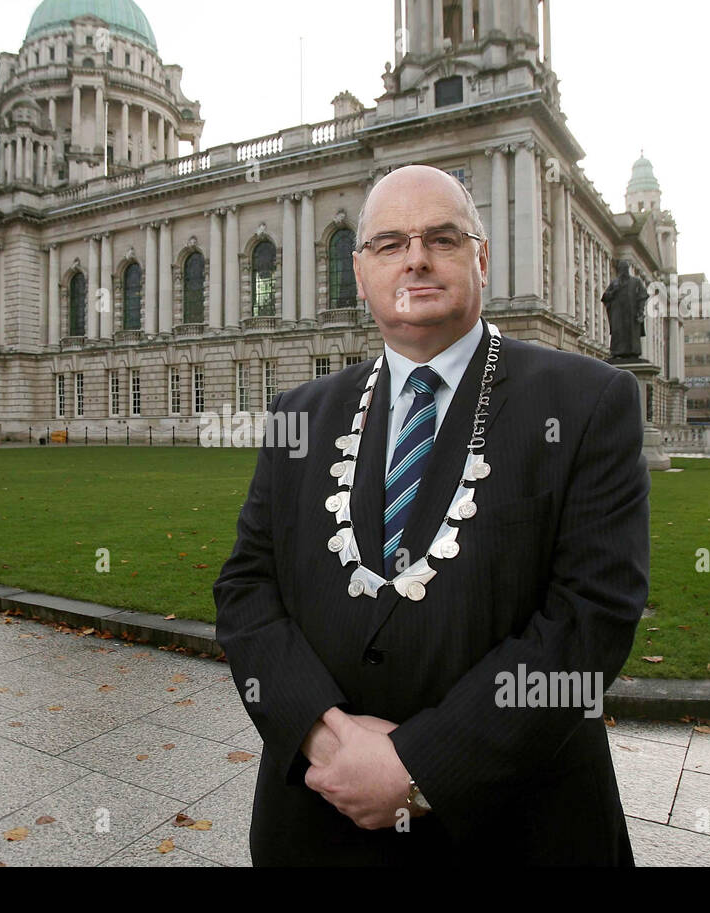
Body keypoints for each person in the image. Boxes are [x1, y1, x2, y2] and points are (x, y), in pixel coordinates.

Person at [213, 164, 650, 866]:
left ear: (481, 258)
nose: (414, 257)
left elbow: (588, 622)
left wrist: (418, 768)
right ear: (360, 274)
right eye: (388, 244)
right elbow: (245, 592)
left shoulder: (587, 402)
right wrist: (325, 738)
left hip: (516, 830)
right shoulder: (300, 412)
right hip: (319, 819)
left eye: (441, 239)